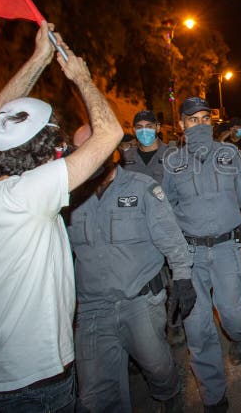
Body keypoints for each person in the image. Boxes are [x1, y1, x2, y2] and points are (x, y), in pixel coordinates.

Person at [0, 21, 123, 412]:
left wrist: (38, 59)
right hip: (40, 383)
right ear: (45, 153)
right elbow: (109, 133)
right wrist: (81, 77)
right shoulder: (26, 196)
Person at [65, 125, 195, 412]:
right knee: (96, 396)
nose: (88, 155)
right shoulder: (67, 198)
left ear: (113, 151)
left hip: (140, 302)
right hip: (91, 309)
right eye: (80, 150)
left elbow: (171, 238)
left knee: (157, 367)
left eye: (95, 147)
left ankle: (169, 393)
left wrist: (183, 278)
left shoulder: (142, 188)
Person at [162, 96, 241, 413]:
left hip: (227, 249)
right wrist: (171, 256)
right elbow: (165, 211)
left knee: (235, 317)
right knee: (198, 330)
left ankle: (238, 337)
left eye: (205, 118)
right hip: (190, 256)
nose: (200, 124)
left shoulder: (229, 154)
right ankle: (214, 397)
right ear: (182, 124)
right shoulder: (172, 162)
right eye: (192, 119)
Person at [121, 110, 169, 184]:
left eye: (149, 126)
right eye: (139, 127)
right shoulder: (126, 157)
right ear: (134, 130)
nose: (144, 131)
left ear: (158, 128)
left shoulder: (171, 154)